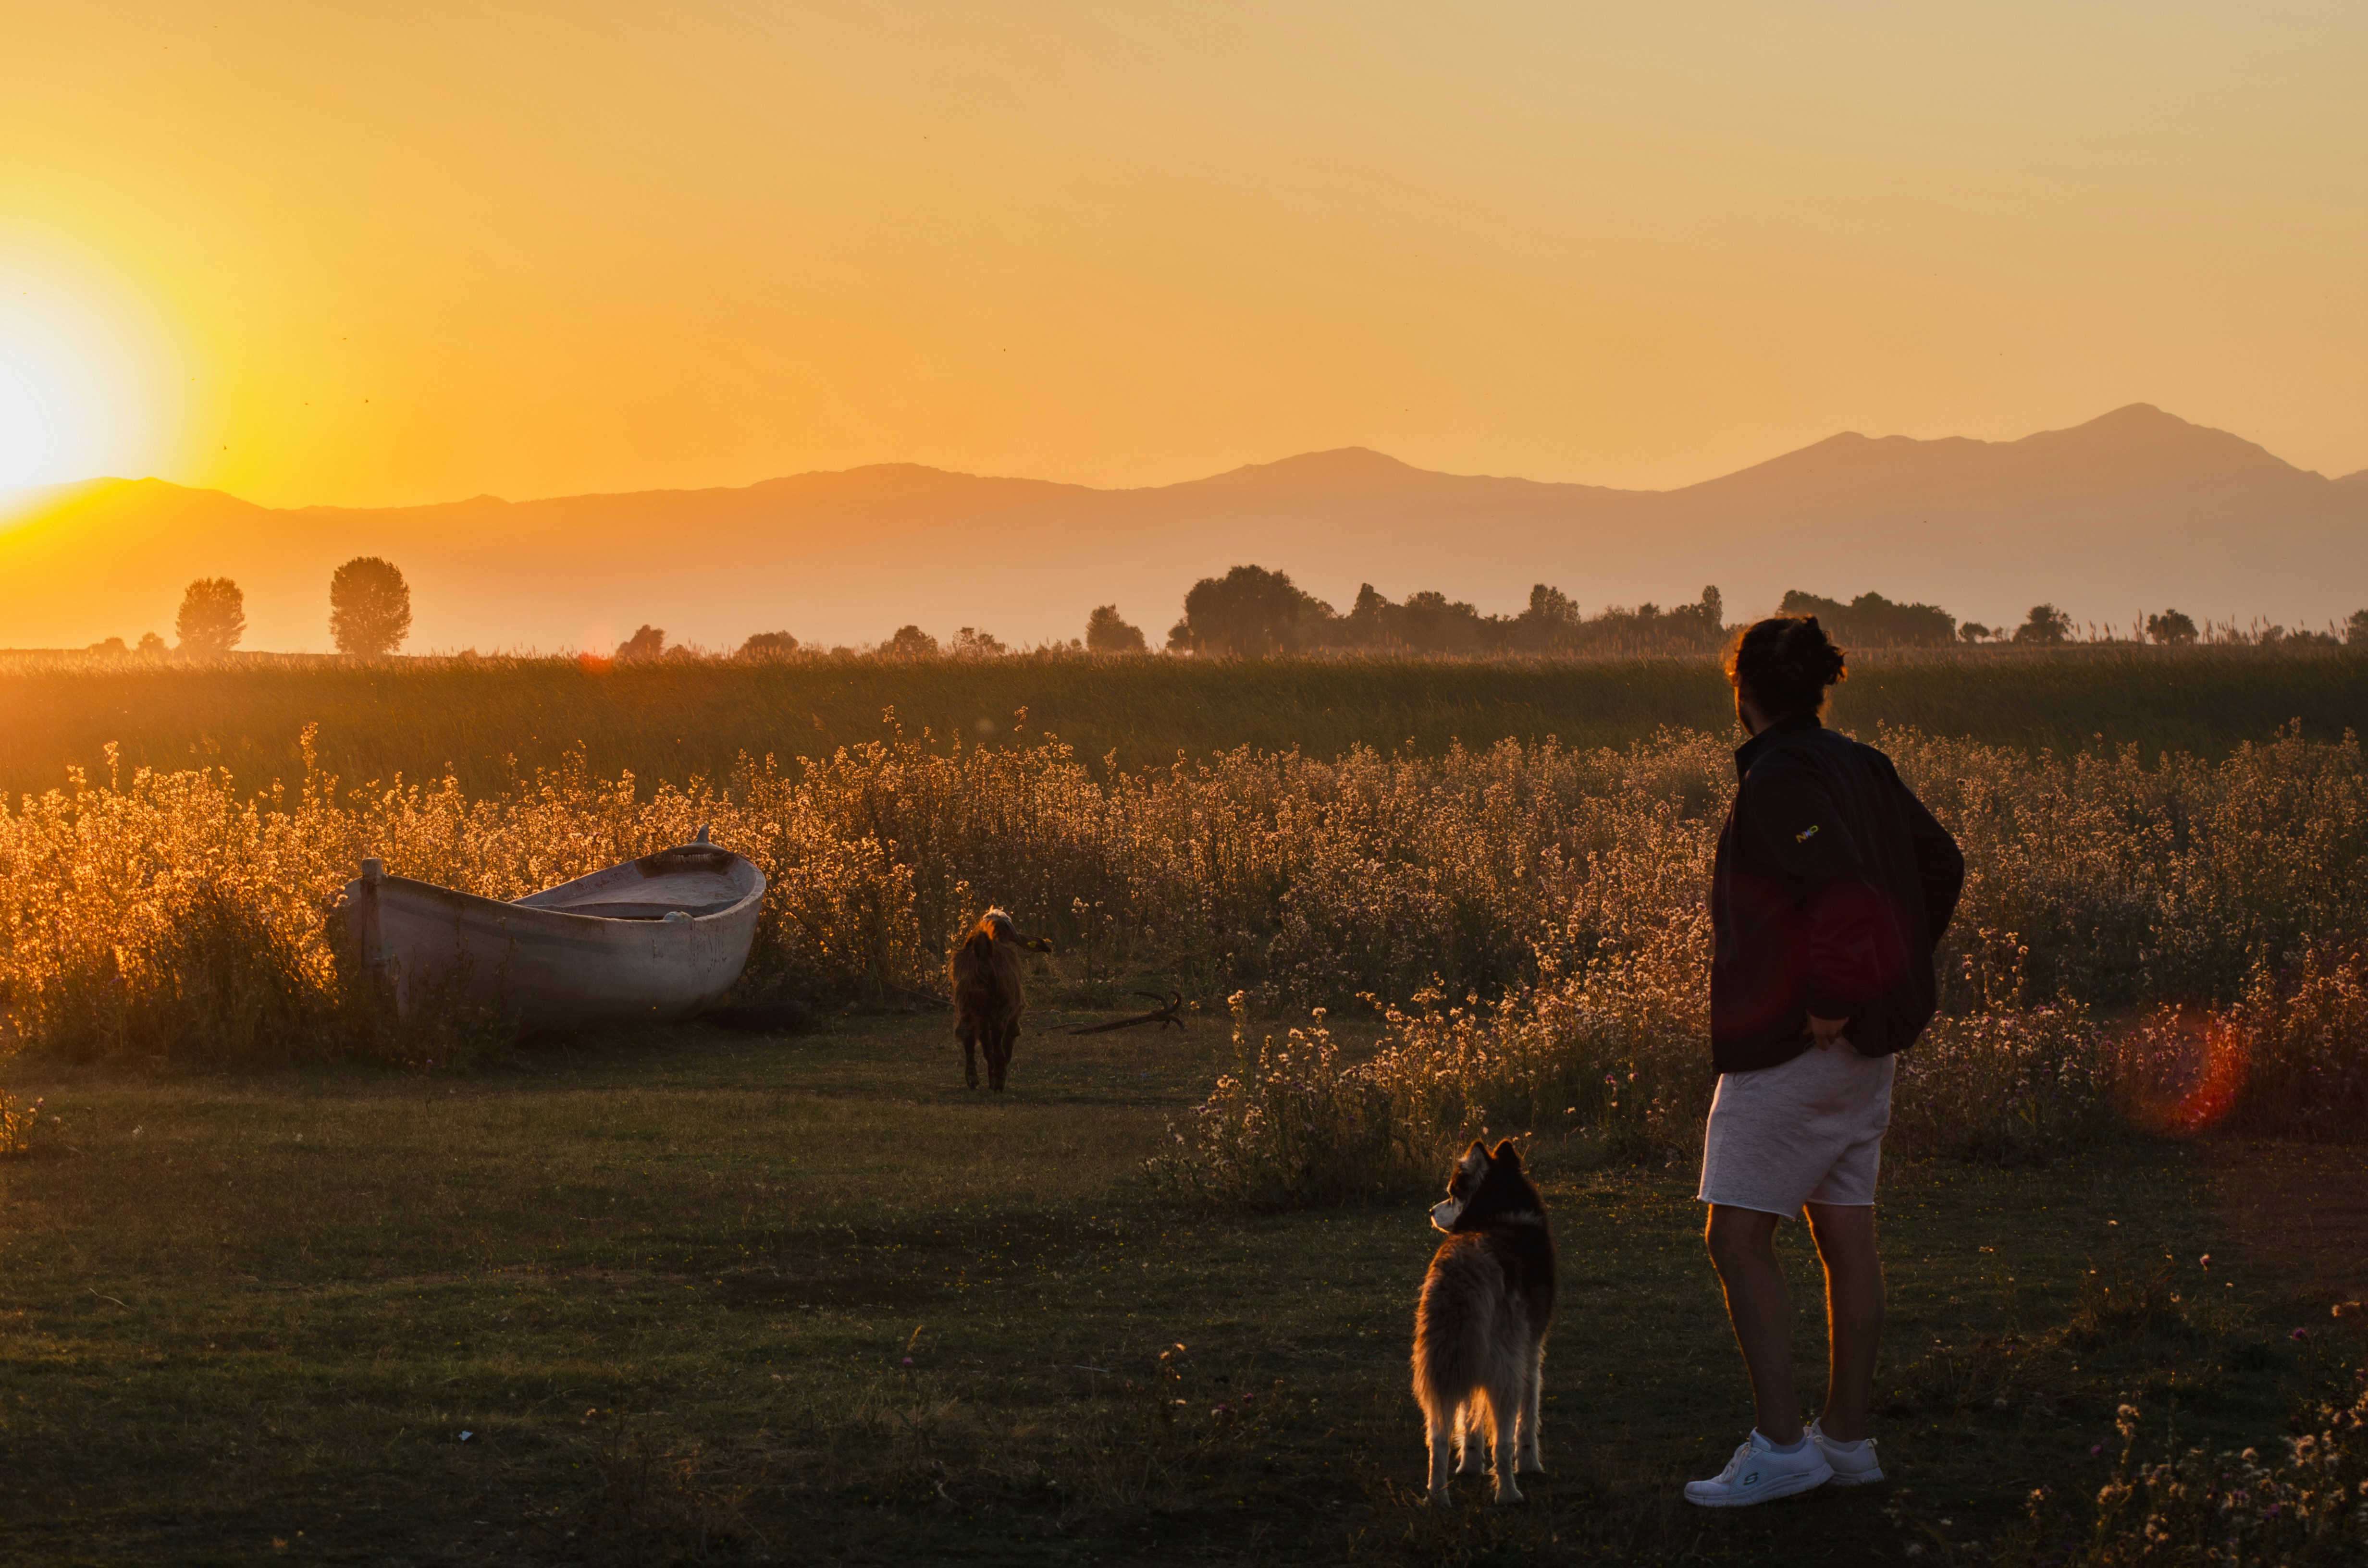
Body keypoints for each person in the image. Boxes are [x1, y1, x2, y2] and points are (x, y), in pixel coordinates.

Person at [1683, 615, 1965, 1508]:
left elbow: (1842, 890)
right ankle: (1844, 1441)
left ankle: (1780, 1446)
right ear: (1817, 688)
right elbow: (1939, 862)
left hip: (1796, 1048)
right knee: (1846, 1236)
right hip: (1860, 1055)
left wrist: (1839, 997)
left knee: (1734, 1235)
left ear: (1743, 692)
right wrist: (1890, 979)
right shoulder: (1861, 763)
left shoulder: (1779, 776)